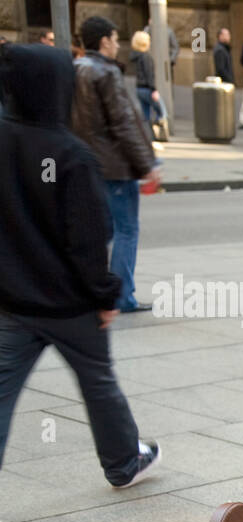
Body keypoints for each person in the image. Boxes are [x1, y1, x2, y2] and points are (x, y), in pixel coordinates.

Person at [0, 41, 161, 490]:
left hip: (13, 303)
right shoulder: (69, 154)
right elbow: (88, 240)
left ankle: (126, 458)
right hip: (72, 306)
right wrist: (106, 294)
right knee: (98, 384)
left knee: (1, 393)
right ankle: (124, 461)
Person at [72, 16, 161, 314]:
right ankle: (122, 296)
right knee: (126, 229)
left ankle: (86, 288)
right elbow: (124, 124)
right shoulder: (105, 73)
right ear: (104, 41)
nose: (118, 43)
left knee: (103, 230)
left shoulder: (76, 69)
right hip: (115, 166)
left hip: (88, 164)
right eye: (114, 37)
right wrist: (147, 164)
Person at [129, 31, 163, 133]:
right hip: (147, 88)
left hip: (139, 88)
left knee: (146, 116)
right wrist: (154, 89)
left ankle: (149, 135)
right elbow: (149, 74)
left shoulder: (136, 56)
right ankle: (157, 132)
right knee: (161, 112)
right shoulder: (146, 57)